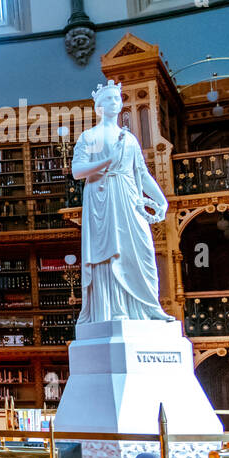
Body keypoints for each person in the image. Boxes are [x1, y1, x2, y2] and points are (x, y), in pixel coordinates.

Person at [71, 81, 174, 324]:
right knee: (110, 253)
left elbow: (142, 172)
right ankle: (114, 310)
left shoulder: (129, 138)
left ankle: (149, 306)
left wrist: (161, 200)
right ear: (98, 107)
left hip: (129, 195)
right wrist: (106, 161)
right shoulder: (91, 136)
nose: (115, 103)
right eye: (109, 99)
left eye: (118, 99)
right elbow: (77, 171)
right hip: (103, 198)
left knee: (142, 250)